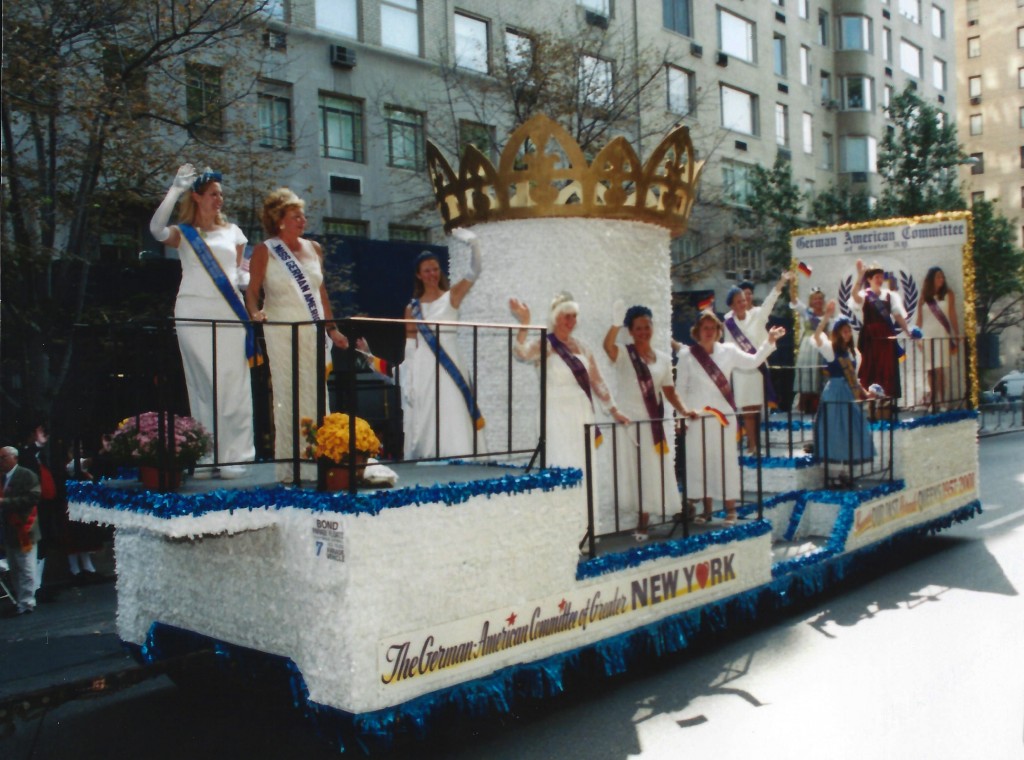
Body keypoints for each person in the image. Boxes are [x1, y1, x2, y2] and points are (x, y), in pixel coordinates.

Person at [149, 164, 255, 478]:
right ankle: (208, 454)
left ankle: (236, 455)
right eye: (212, 194)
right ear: (196, 197)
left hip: (228, 312)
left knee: (232, 384)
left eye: (221, 195)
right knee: (202, 383)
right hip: (193, 311)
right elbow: (156, 230)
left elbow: (237, 275)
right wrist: (174, 189)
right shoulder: (184, 233)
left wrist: (252, 278)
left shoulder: (233, 232)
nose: (219, 200)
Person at [245, 188, 349, 484]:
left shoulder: (314, 248)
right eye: (295, 216)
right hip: (281, 330)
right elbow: (252, 292)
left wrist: (332, 328)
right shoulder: (265, 250)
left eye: (303, 215)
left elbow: (321, 292)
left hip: (311, 331)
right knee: (288, 395)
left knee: (315, 395)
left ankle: (317, 458)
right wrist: (254, 312)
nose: (302, 220)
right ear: (279, 220)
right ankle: (290, 466)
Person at [511, 293, 629, 536]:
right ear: (556, 317)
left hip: (580, 415)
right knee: (559, 463)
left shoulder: (582, 347)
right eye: (567, 316)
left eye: (574, 316)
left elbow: (597, 381)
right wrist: (524, 322)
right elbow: (521, 352)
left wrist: (614, 410)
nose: (571, 320)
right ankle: (560, 532)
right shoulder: (546, 343)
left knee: (582, 467)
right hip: (555, 415)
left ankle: (584, 530)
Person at [675, 311, 786, 526]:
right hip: (696, 417)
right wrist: (681, 418)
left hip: (723, 417)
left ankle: (730, 511)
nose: (708, 332)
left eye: (712, 328)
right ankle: (706, 511)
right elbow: (680, 388)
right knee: (700, 462)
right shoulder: (687, 355)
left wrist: (769, 342)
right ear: (697, 331)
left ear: (718, 331)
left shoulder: (729, 351)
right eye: (704, 328)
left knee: (725, 462)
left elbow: (753, 362)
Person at [603, 304, 697, 536]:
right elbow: (607, 347)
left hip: (652, 422)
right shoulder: (625, 353)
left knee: (650, 470)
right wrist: (615, 324)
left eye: (647, 327)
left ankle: (644, 521)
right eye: (638, 328)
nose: (643, 332)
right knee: (634, 471)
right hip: (630, 423)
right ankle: (637, 518)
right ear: (631, 331)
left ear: (652, 327)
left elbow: (670, 392)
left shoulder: (664, 359)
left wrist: (685, 410)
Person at [401, 229, 484, 459]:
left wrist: (474, 243)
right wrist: (409, 379)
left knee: (454, 406)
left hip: (451, 360)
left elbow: (474, 270)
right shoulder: (412, 309)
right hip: (425, 365)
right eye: (426, 270)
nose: (432, 274)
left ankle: (461, 455)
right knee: (429, 412)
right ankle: (431, 457)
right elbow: (410, 345)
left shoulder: (452, 297)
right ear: (418, 275)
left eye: (435, 269)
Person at [722, 272, 792, 453]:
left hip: (758, 369)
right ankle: (752, 445)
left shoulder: (757, 315)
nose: (743, 303)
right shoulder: (728, 324)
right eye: (738, 301)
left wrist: (782, 280)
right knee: (747, 411)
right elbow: (728, 347)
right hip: (741, 371)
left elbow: (771, 300)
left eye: (743, 300)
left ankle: (756, 443)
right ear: (731, 305)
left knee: (757, 410)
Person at [847, 260, 919, 417]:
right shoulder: (865, 296)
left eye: (881, 276)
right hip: (870, 340)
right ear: (869, 279)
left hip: (886, 340)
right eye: (876, 277)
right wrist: (859, 275)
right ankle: (871, 409)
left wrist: (907, 331)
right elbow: (853, 295)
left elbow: (898, 316)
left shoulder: (890, 296)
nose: (879, 279)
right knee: (871, 371)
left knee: (887, 371)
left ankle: (886, 409)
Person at [812, 302, 876, 475]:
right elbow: (817, 337)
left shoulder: (854, 353)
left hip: (848, 392)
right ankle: (835, 472)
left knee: (849, 429)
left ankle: (846, 472)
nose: (847, 334)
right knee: (834, 429)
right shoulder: (831, 350)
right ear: (838, 333)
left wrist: (865, 393)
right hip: (834, 392)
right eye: (844, 331)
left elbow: (854, 378)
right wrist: (826, 317)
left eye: (849, 331)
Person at [1, 446, 42, 614]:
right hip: (9, 530)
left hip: (25, 528)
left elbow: (33, 497)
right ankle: (21, 599)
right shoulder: (2, 478)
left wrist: (6, 502)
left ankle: (27, 601)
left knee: (26, 565)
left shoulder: (26, 475)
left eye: (3, 457)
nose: (1, 461)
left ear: (14, 458)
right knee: (15, 567)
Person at [915, 266, 959, 409]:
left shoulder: (948, 294)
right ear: (931, 279)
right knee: (930, 370)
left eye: (942, 277)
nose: (941, 279)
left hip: (942, 335)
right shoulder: (923, 298)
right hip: (927, 337)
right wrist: (916, 337)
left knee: (940, 370)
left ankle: (943, 401)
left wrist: (956, 334)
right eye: (938, 277)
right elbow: (919, 320)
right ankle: (933, 401)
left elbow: (952, 315)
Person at [790, 284, 827, 414]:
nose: (818, 301)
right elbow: (794, 300)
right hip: (807, 347)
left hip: (820, 346)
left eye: (820, 298)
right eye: (815, 298)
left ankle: (817, 407)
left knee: (818, 378)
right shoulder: (806, 312)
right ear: (811, 300)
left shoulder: (827, 315)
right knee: (806, 377)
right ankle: (802, 407)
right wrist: (791, 282)